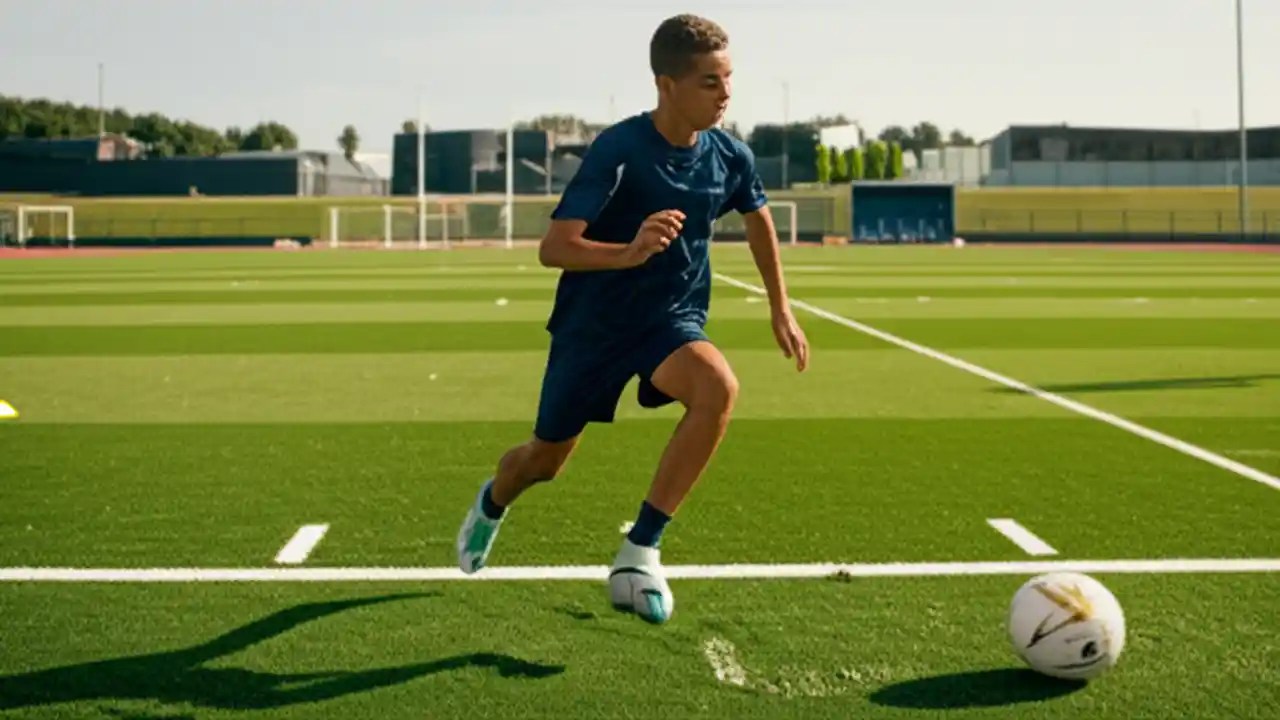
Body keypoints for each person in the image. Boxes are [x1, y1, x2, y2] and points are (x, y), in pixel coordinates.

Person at [455, 13, 809, 623]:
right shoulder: (618, 150)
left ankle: (640, 548)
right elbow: (555, 247)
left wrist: (780, 303)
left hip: (669, 322)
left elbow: (757, 217)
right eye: (709, 82)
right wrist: (628, 251)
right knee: (543, 463)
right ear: (665, 85)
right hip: (593, 329)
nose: (726, 94)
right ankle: (492, 502)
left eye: (728, 79)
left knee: (717, 386)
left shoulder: (730, 155)